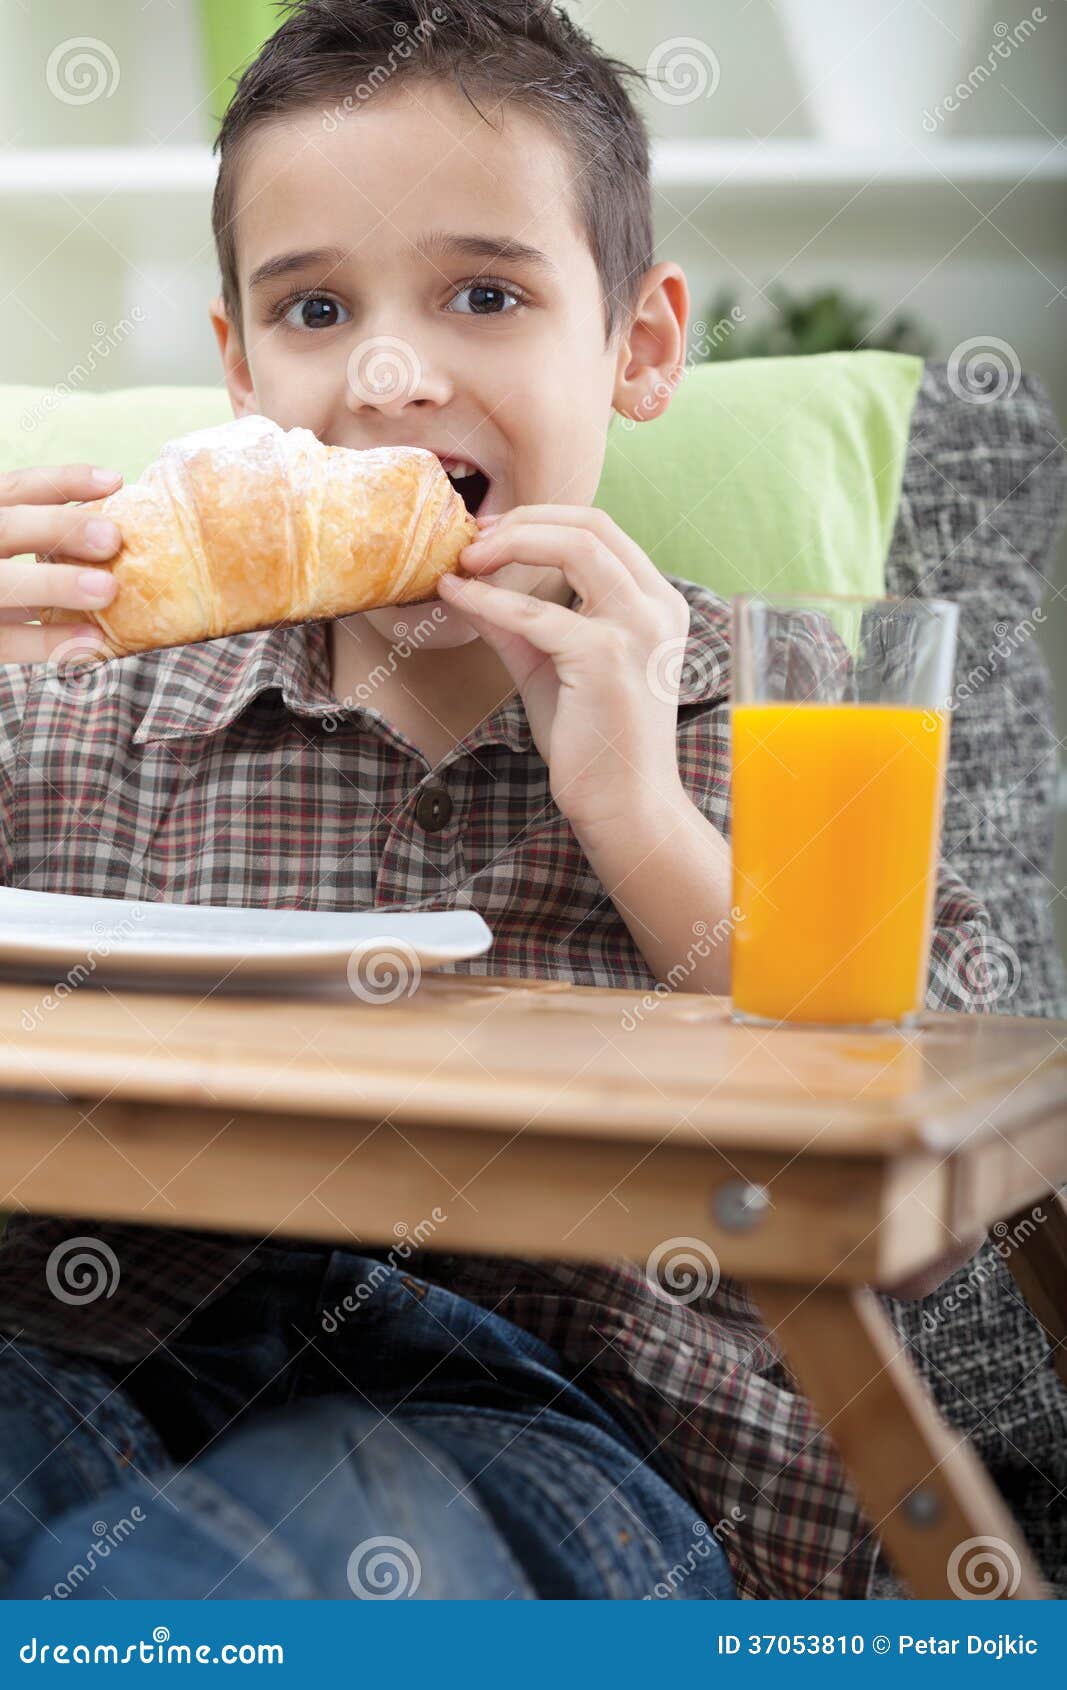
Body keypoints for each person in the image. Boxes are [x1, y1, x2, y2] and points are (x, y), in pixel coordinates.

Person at [0, 0, 992, 1601]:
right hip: (86, 1343)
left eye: (484, 292)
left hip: (554, 1417)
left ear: (642, 346)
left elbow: (945, 1193)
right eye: (315, 309)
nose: (393, 376)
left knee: (276, 1552)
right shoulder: (76, 696)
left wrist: (643, 818)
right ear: (239, 372)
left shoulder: (789, 695)